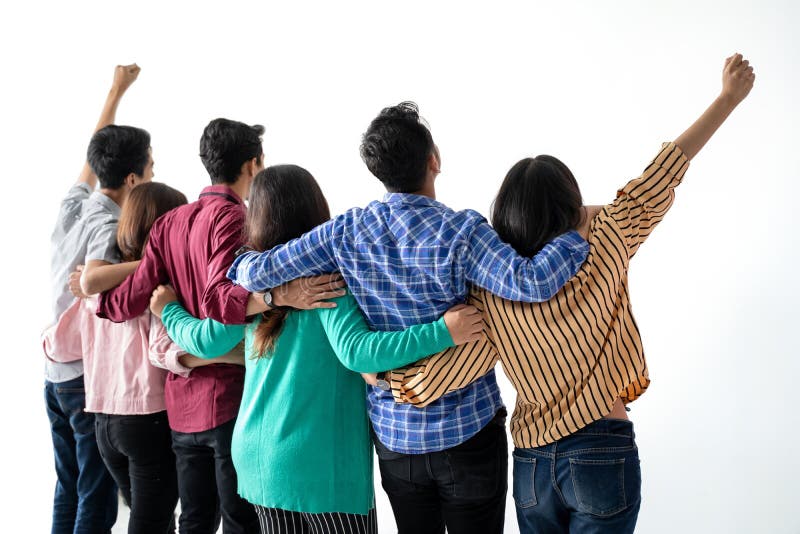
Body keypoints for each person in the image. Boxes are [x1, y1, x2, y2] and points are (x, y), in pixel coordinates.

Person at [385, 54, 756, 534]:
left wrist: (383, 377)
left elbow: (444, 373)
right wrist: (727, 99)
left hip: (533, 467)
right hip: (602, 449)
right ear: (572, 203)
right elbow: (663, 174)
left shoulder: (492, 292)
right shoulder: (607, 239)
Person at [227, 103, 590, 534]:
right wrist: (578, 229)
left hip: (397, 443)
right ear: (433, 160)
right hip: (469, 435)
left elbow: (248, 270)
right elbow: (531, 283)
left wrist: (279, 293)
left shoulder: (345, 231)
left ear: (378, 171)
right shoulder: (463, 231)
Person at [150, 164, 488, 533]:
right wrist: (442, 331)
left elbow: (204, 339)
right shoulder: (327, 282)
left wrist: (166, 308)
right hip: (319, 464)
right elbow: (359, 352)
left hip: (258, 458)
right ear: (317, 208)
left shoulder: (249, 289)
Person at [95, 119, 343, 534]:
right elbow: (220, 301)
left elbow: (126, 301)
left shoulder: (168, 224)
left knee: (193, 521)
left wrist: (97, 293)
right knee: (242, 524)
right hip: (231, 402)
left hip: (181, 410)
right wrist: (278, 295)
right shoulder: (235, 220)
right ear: (253, 164)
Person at [49, 182, 190, 533]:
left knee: (149, 518)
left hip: (103, 424)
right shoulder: (159, 289)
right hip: (147, 419)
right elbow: (166, 350)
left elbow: (61, 345)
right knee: (152, 521)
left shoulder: (94, 291)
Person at [45, 63, 149, 533]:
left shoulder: (73, 206)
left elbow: (95, 155)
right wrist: (158, 262)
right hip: (83, 378)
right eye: (150, 167)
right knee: (96, 498)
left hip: (52, 372)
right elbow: (97, 277)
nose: (153, 173)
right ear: (131, 179)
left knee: (69, 487)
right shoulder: (106, 228)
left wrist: (115, 92)